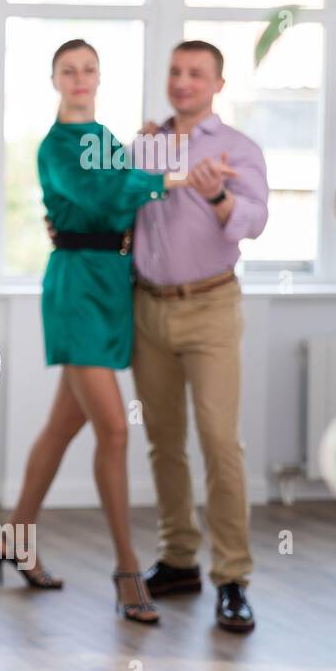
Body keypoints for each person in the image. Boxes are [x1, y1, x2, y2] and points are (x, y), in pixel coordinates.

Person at [1, 39, 219, 624]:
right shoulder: (55, 146)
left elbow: (122, 199)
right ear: (54, 80)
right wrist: (165, 178)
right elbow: (100, 199)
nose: (79, 78)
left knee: (59, 428)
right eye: (68, 70)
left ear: (99, 76)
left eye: (88, 69)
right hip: (76, 290)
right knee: (116, 434)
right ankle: (126, 567)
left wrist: (138, 164)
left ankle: (13, 538)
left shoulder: (109, 140)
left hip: (113, 286)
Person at [129, 40, 268, 633]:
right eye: (175, 71)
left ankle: (232, 577)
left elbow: (255, 221)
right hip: (147, 308)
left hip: (211, 305)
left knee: (219, 441)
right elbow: (120, 209)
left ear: (217, 82)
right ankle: (179, 558)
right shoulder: (144, 143)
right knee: (164, 440)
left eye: (196, 73)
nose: (183, 81)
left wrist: (216, 194)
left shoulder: (237, 148)